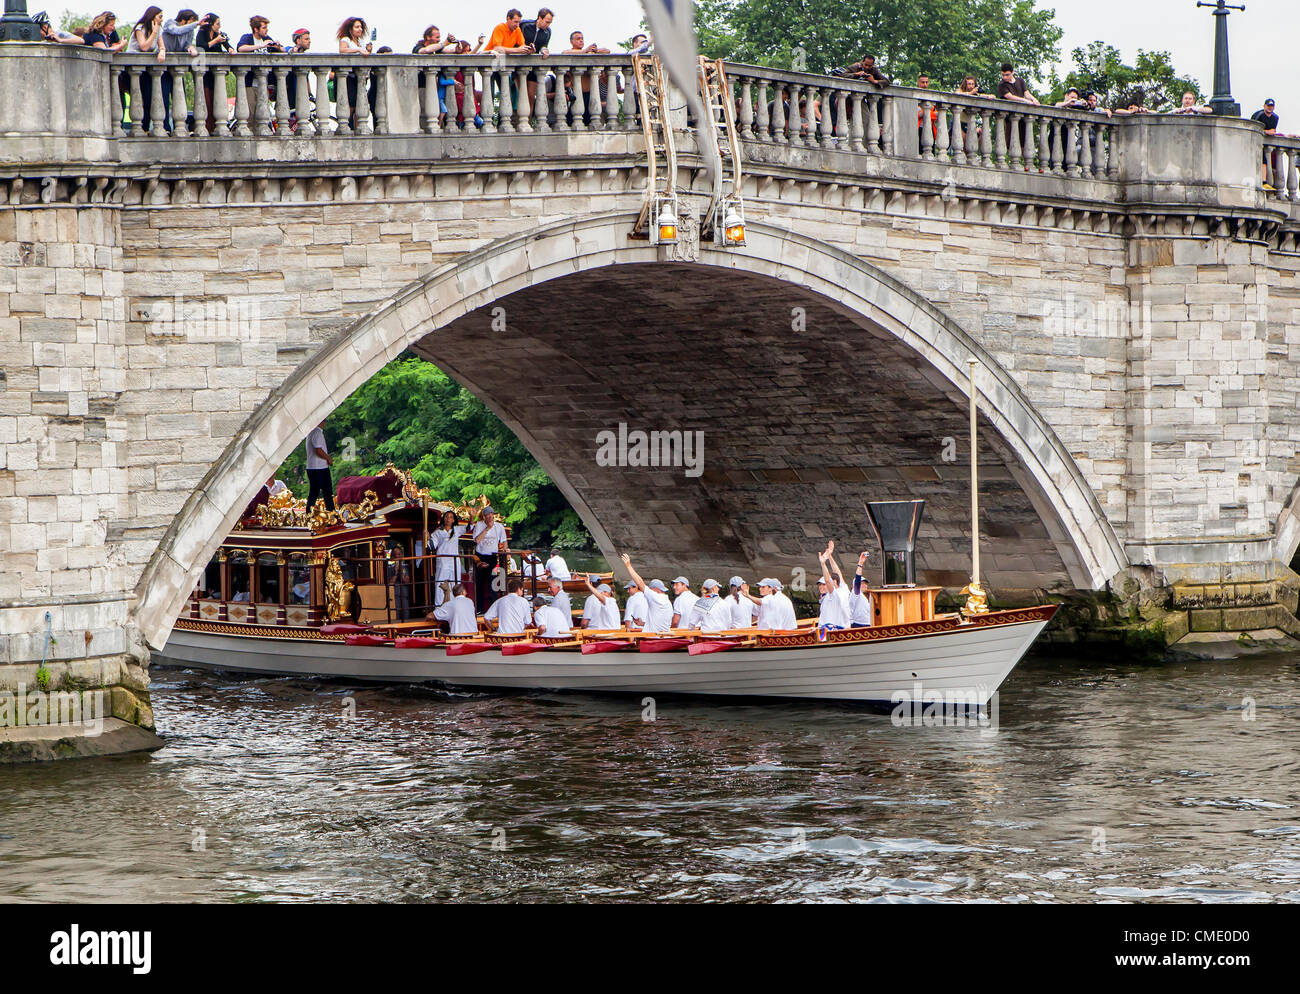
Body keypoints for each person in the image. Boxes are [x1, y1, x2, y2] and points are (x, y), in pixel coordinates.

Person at [127, 7, 168, 134]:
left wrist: (161, 51)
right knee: (139, 98)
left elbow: (162, 46)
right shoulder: (140, 28)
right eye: (160, 16)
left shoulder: (158, 29)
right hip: (134, 69)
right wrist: (154, 33)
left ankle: (146, 127)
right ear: (153, 16)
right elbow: (144, 47)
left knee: (150, 97)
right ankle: (140, 128)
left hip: (147, 70)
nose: (161, 19)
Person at [337, 16, 377, 130]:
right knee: (351, 103)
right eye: (357, 27)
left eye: (360, 27)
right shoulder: (346, 39)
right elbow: (343, 50)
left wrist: (367, 50)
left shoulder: (360, 42)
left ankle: (356, 128)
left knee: (359, 104)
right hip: (349, 76)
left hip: (359, 76)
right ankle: (346, 126)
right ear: (351, 29)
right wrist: (359, 50)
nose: (359, 29)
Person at [194, 14, 231, 133]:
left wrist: (229, 48)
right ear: (211, 24)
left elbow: (227, 45)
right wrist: (216, 40)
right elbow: (201, 46)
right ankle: (207, 128)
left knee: (217, 102)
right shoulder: (202, 33)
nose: (219, 26)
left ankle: (215, 128)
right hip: (204, 74)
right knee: (207, 101)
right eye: (217, 24)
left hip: (216, 74)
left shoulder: (219, 34)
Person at [620, 554, 673, 633]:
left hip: (652, 640)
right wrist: (642, 623)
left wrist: (628, 566)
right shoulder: (668, 602)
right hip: (663, 637)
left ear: (655, 589)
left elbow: (640, 582)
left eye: (650, 589)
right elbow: (658, 624)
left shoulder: (654, 597)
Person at [472, 505, 508, 609]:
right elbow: (477, 540)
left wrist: (505, 550)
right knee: (479, 583)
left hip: (492, 557)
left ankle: (493, 608)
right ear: (484, 516)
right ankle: (480, 608)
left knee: (493, 583)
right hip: (480, 557)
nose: (489, 517)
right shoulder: (479, 525)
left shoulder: (499, 527)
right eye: (487, 515)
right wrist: (487, 528)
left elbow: (504, 541)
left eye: (491, 515)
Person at [429, 509, 466, 607]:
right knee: (441, 583)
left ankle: (456, 605)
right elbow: (432, 546)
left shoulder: (457, 530)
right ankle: (439, 607)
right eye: (446, 517)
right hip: (443, 560)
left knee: (455, 582)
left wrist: (471, 516)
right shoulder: (438, 532)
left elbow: (469, 527)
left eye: (450, 517)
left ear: (453, 520)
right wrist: (428, 538)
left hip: (454, 560)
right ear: (443, 519)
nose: (448, 519)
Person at [520, 8, 553, 109]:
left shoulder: (548, 31)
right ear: (539, 18)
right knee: (520, 94)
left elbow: (544, 45)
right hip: (520, 63)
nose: (548, 25)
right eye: (547, 22)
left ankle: (528, 122)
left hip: (533, 66)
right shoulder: (524, 25)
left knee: (530, 96)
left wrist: (544, 50)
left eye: (550, 23)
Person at [816, 542, 851, 631]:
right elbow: (838, 572)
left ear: (834, 582)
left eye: (823, 585)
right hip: (843, 627)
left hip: (834, 631)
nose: (821, 587)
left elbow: (828, 581)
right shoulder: (844, 589)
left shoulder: (833, 595)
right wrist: (829, 556)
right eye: (820, 585)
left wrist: (823, 564)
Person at [305, 422, 334, 511]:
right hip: (317, 468)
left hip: (318, 467)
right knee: (317, 492)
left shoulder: (312, 432)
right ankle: (309, 513)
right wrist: (328, 458)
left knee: (326, 491)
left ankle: (331, 510)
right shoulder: (316, 432)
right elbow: (318, 450)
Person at [850, 551, 874, 628]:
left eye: (865, 583)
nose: (864, 585)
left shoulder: (868, 596)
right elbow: (857, 581)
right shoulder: (855, 594)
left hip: (869, 624)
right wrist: (860, 564)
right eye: (862, 583)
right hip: (858, 625)